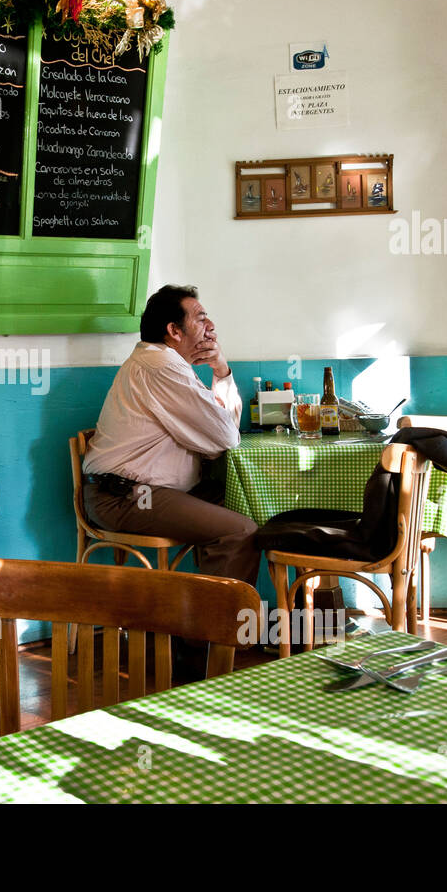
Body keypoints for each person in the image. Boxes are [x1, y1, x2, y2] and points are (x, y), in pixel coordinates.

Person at [81, 284, 260, 678]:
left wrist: (221, 369)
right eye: (200, 317)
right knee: (240, 531)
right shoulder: (159, 365)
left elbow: (221, 433)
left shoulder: (167, 364)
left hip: (153, 490)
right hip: (126, 496)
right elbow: (226, 436)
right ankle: (197, 646)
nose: (210, 325)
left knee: (241, 500)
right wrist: (219, 380)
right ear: (173, 331)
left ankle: (207, 630)